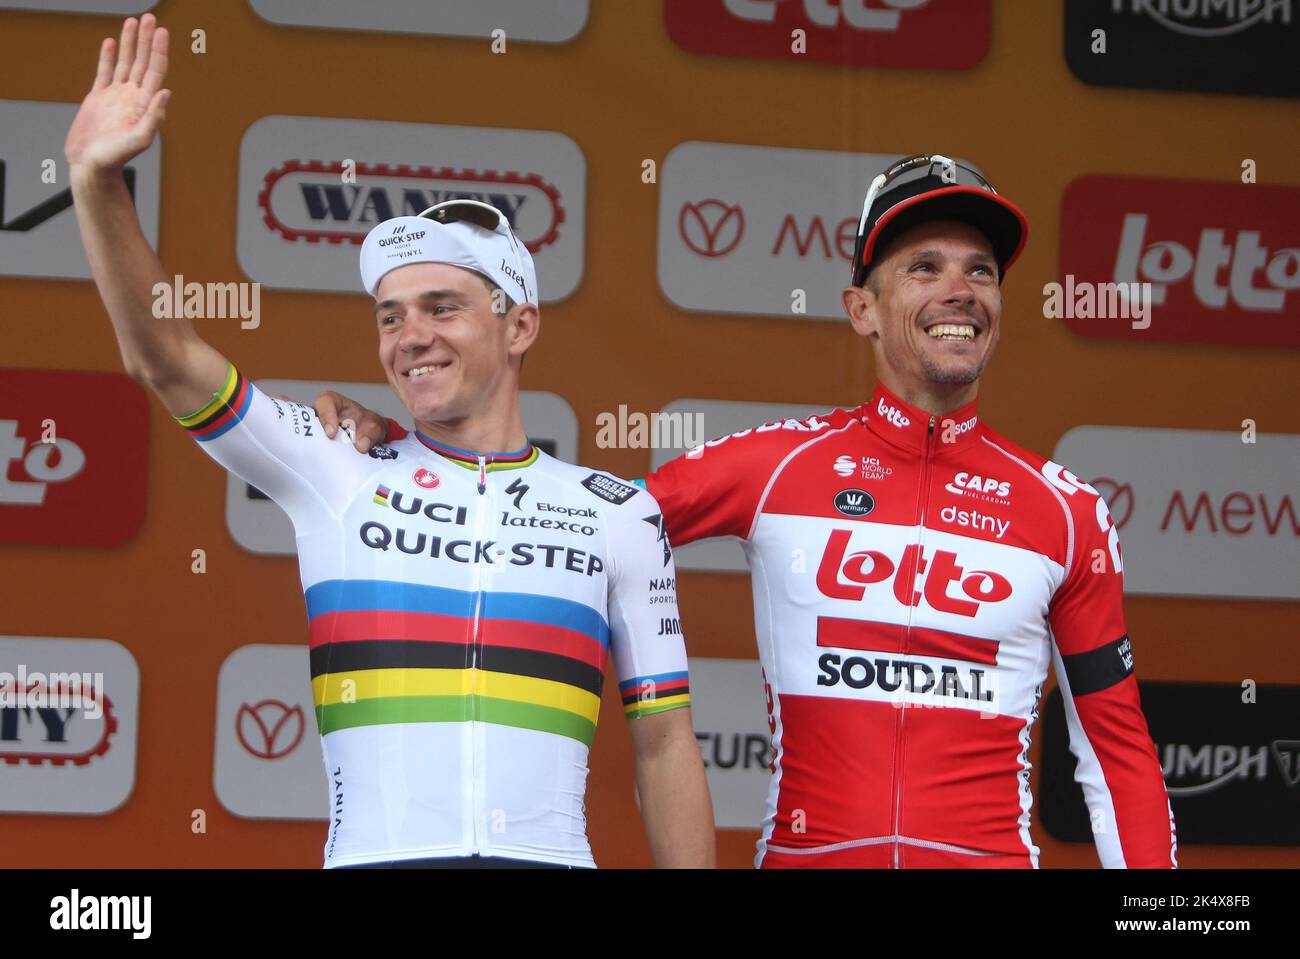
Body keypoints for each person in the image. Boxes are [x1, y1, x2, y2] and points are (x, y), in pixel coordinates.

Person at [326, 155, 1177, 868]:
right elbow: (568, 523)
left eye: (980, 271)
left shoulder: (1065, 510)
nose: (959, 289)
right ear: (861, 310)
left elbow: (1118, 757)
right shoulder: (776, 466)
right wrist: (405, 448)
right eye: (925, 267)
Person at [67, 14, 714, 869]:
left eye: (442, 307)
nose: (410, 334)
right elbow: (168, 358)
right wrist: (95, 182)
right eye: (390, 315)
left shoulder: (619, 513)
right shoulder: (334, 462)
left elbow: (665, 741)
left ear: (519, 325)